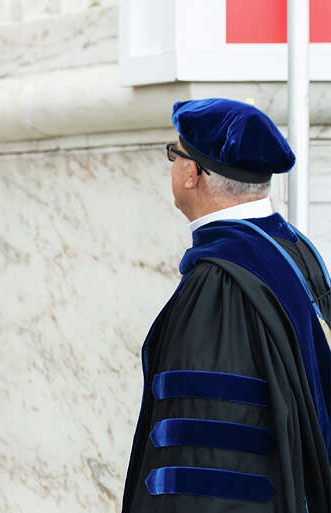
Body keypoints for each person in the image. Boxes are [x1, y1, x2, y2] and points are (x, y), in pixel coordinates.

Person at [122, 98, 331, 512]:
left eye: (174, 153)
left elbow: (208, 459)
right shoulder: (295, 251)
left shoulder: (221, 285)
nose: (173, 165)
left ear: (192, 174)